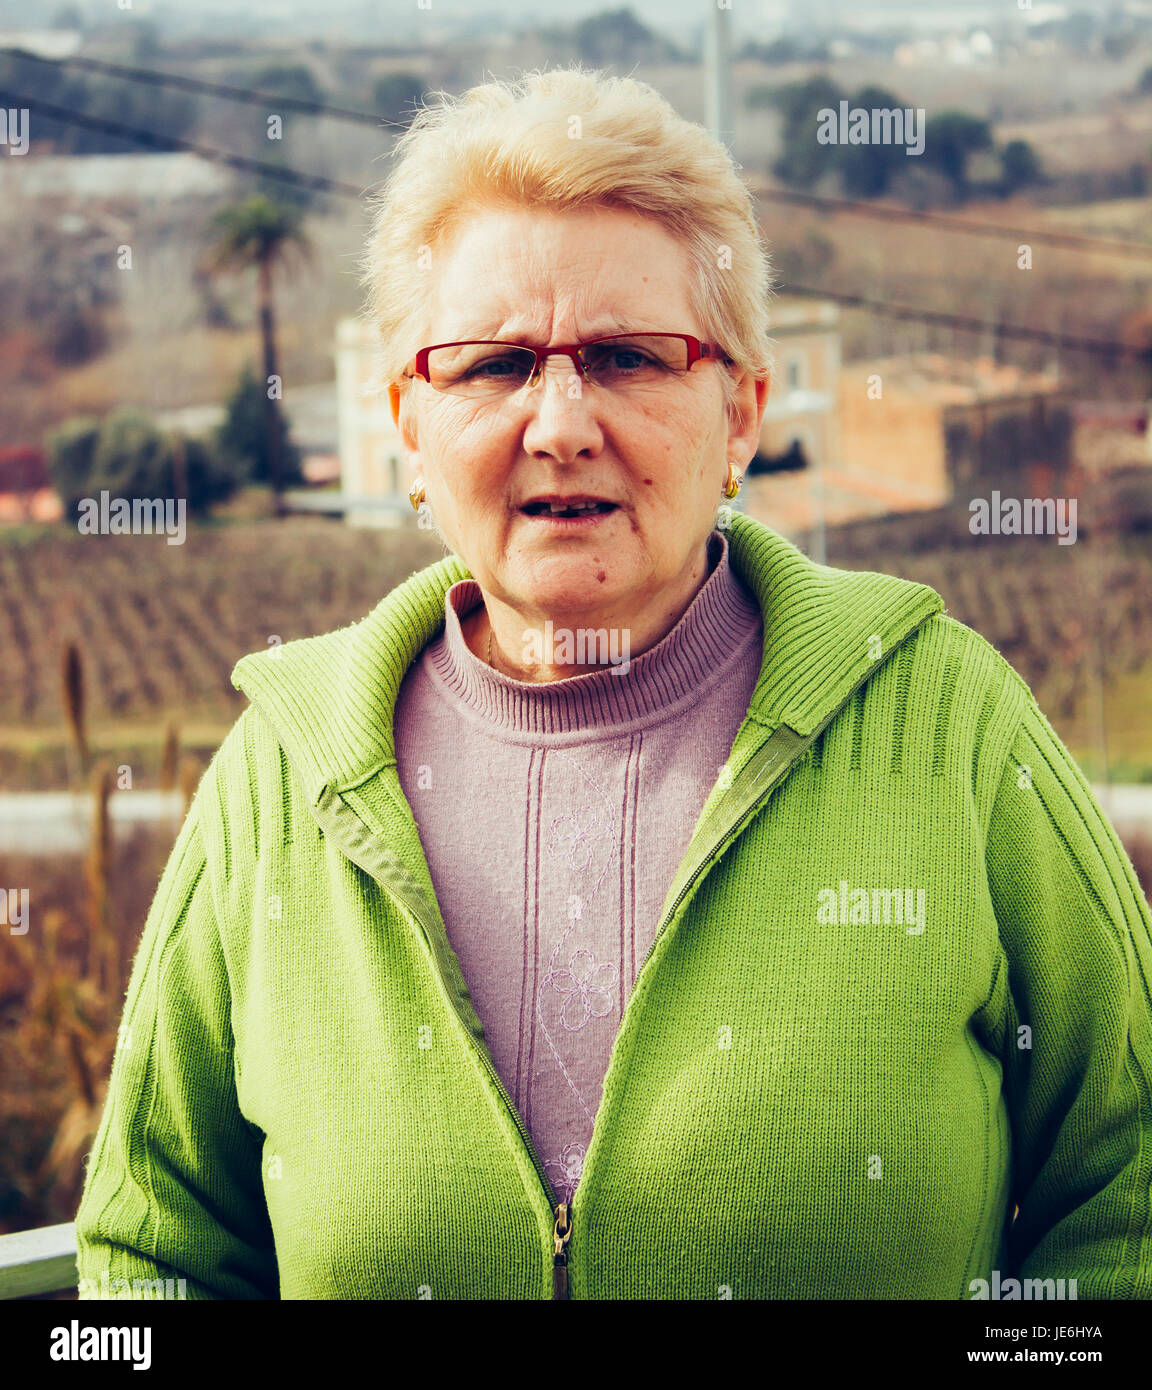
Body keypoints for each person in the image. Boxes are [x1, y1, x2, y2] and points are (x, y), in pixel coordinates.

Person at [75, 67, 1152, 1300]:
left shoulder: (949, 727)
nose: (561, 423)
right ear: (408, 429)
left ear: (741, 413)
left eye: (631, 356)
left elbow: (1128, 1191)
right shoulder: (281, 778)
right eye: (492, 366)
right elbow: (152, 1254)